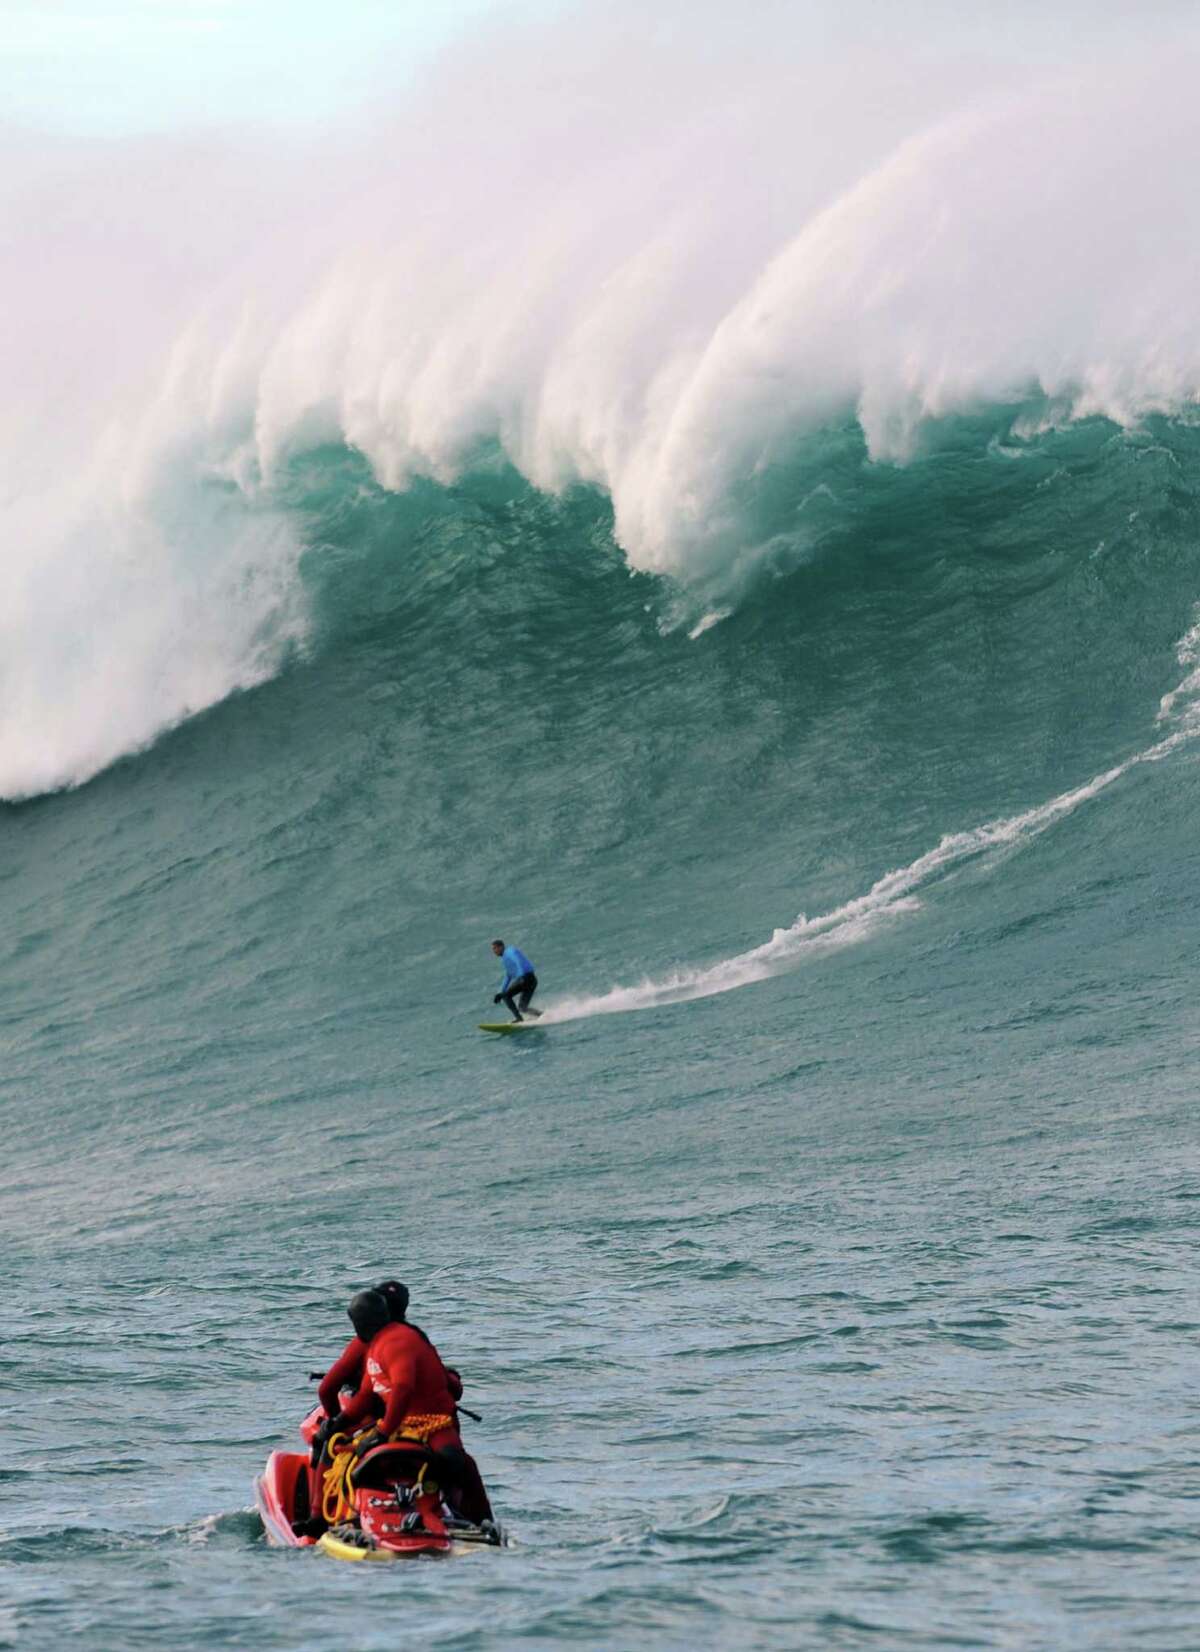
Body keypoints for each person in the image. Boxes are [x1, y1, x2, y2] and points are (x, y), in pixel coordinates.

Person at [329, 1288, 494, 1525]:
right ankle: (327, 1518)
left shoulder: (399, 1340)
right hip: (397, 1423)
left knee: (456, 1462)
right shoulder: (376, 1346)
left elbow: (402, 1388)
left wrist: (383, 1432)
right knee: (352, 1461)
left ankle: (480, 1523)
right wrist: (338, 1423)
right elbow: (366, 1393)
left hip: (430, 1423)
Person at [491, 938, 541, 1022]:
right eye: (493, 949)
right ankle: (542, 1016)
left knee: (506, 996)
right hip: (531, 980)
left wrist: (522, 974)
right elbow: (508, 976)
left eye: (495, 948)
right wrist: (500, 992)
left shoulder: (510, 951)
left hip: (525, 978)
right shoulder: (505, 959)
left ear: (501, 947)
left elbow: (517, 959)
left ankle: (519, 1019)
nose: (494, 951)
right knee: (522, 1008)